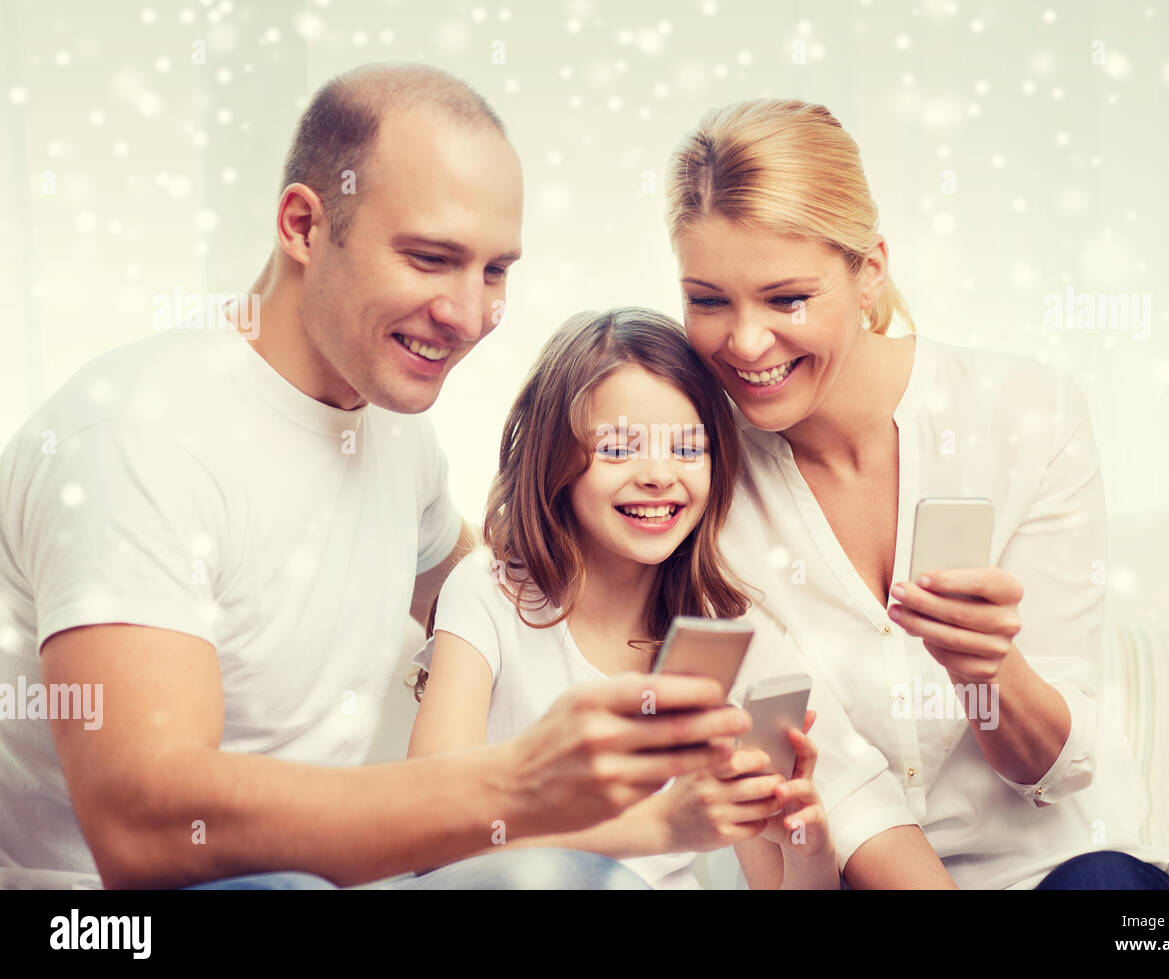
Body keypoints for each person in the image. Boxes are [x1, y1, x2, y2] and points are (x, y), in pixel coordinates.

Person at [0, 64, 748, 891]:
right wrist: (516, 785)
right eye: (431, 258)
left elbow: (501, 589)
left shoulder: (396, 440)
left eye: (495, 270)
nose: (469, 315)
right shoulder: (133, 438)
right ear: (302, 225)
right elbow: (148, 830)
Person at [662, 97, 1169, 890]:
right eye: (708, 300)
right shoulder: (698, 484)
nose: (745, 342)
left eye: (786, 298)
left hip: (1058, 866)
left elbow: (1056, 766)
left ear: (870, 269)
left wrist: (986, 672)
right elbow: (830, 779)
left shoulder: (1027, 413)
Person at [408, 308, 870, 889]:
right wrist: (654, 826)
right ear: (556, 460)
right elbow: (428, 832)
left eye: (685, 448)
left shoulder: (725, 636)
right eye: (620, 449)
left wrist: (807, 848)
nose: (657, 475)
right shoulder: (490, 593)